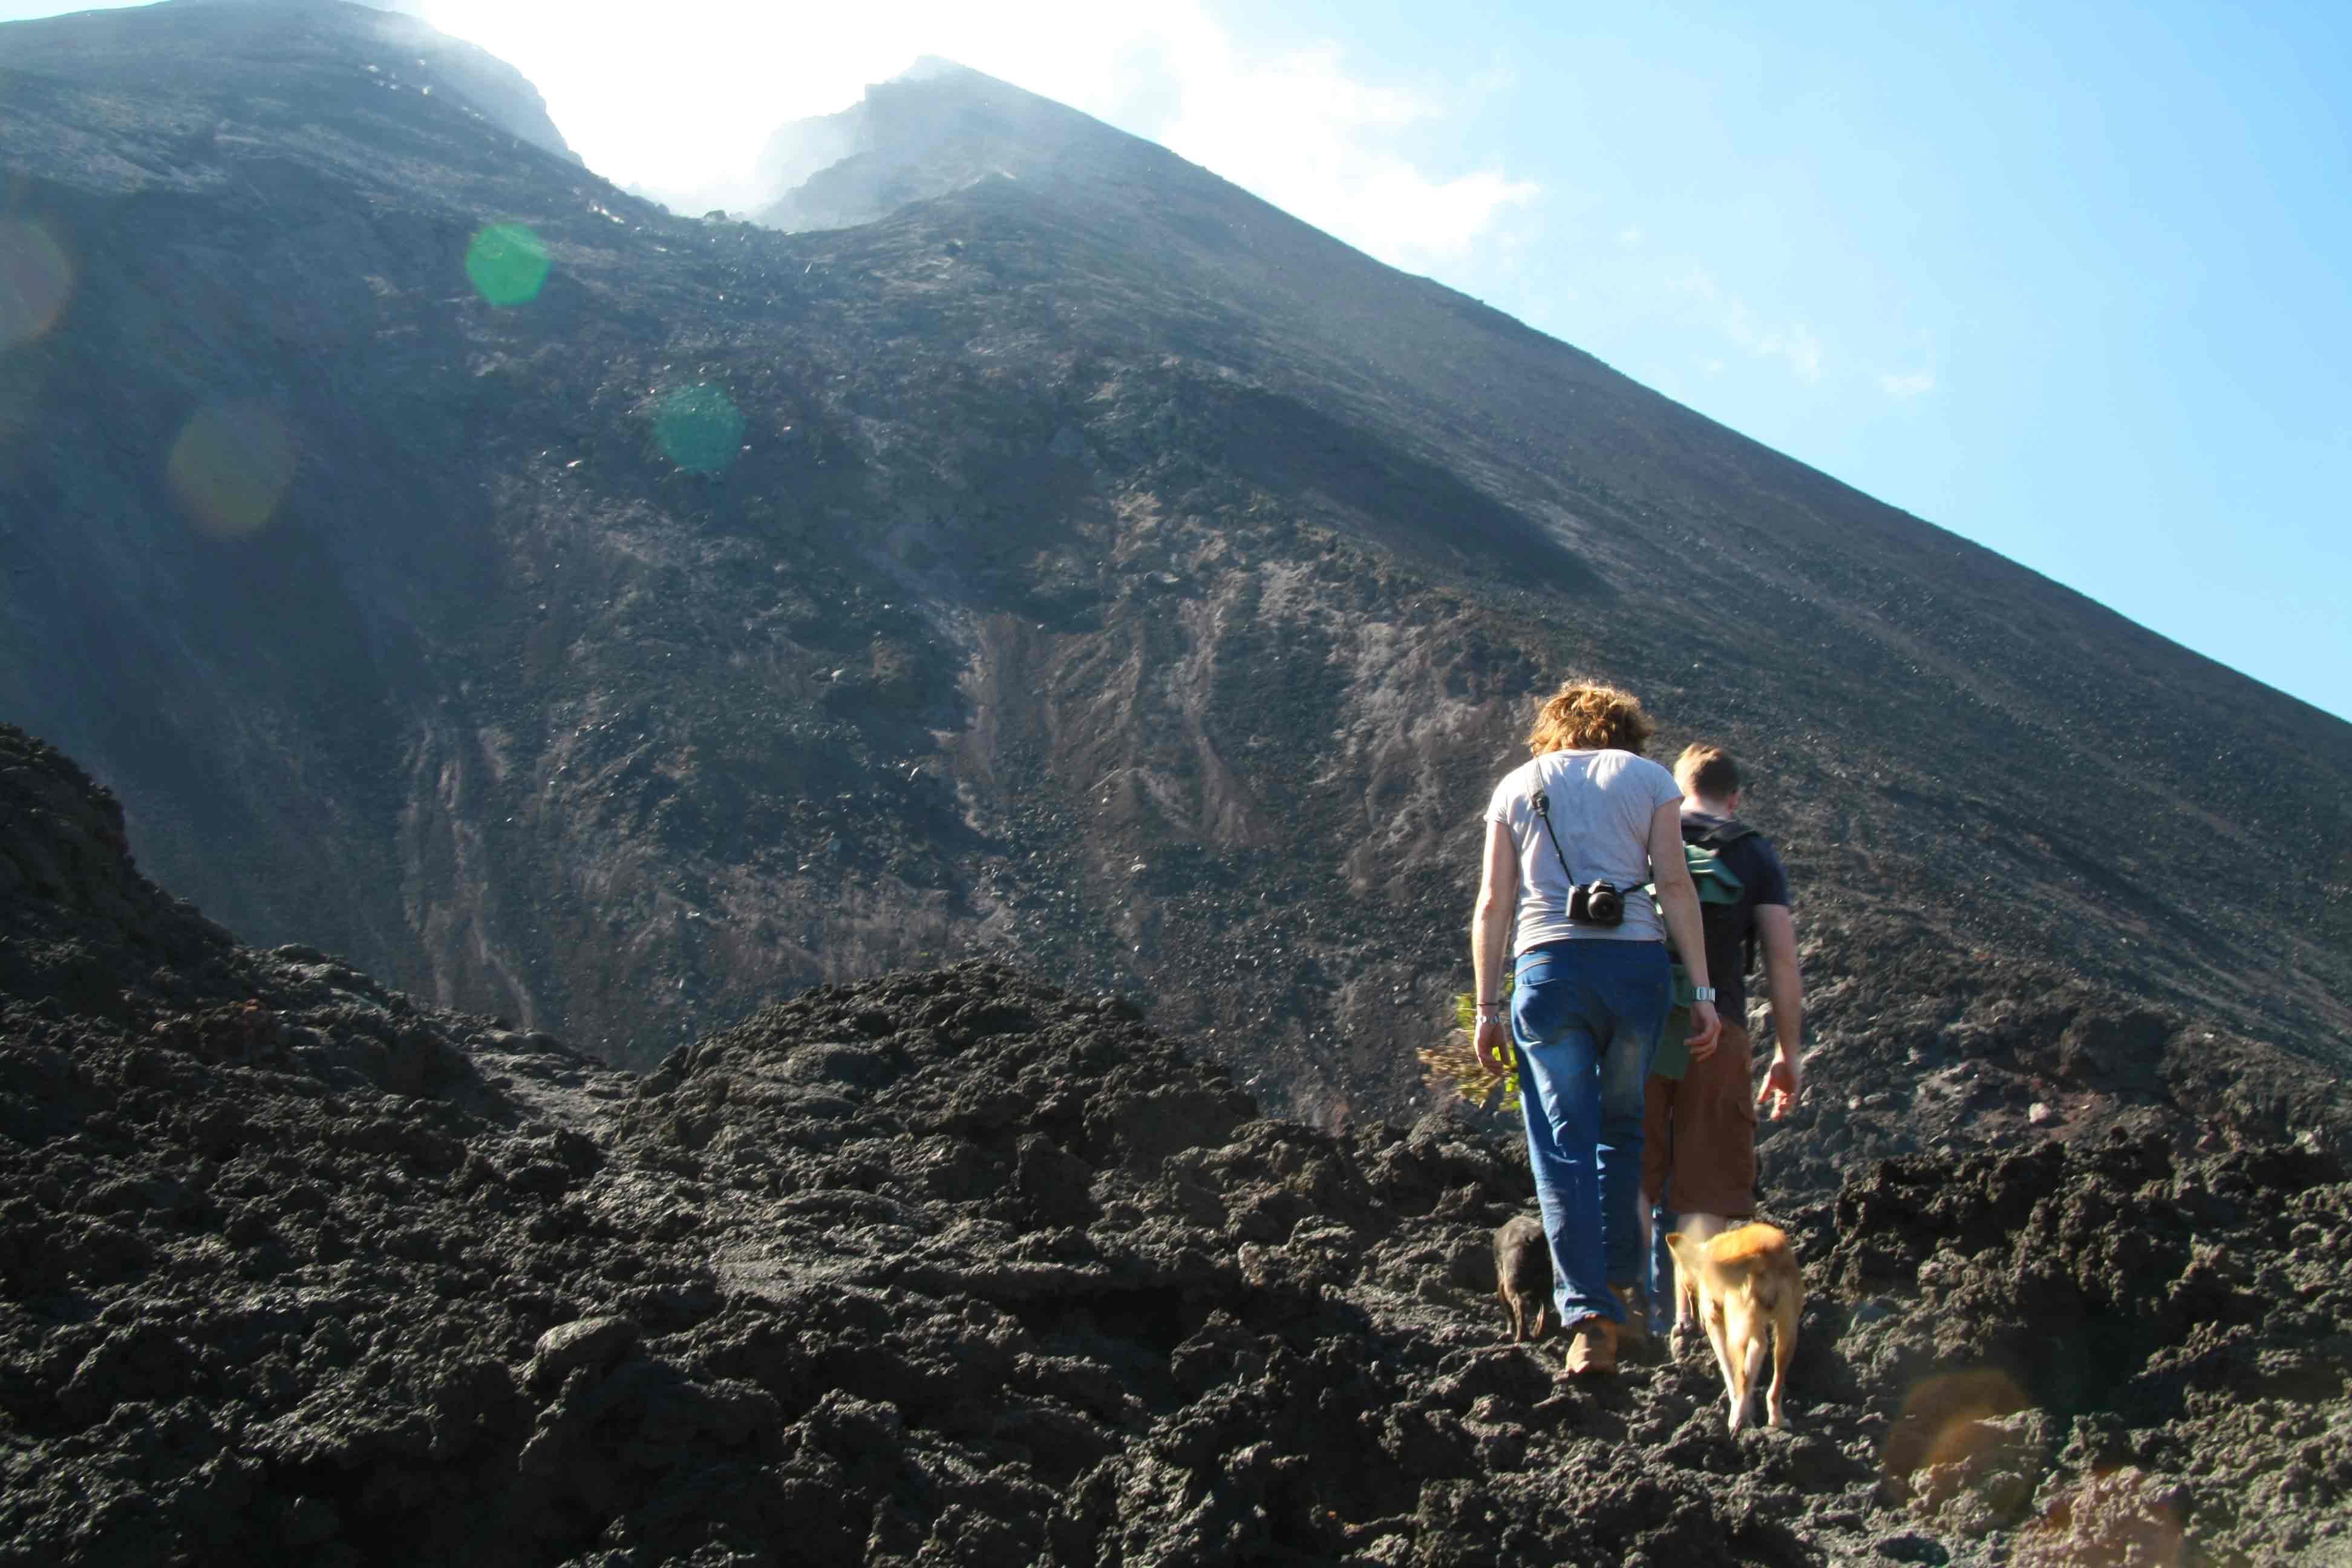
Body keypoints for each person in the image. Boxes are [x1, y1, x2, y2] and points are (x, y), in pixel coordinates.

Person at [1471, 680, 1720, 1376]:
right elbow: (1676, 887)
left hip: (1549, 972)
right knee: (1623, 1135)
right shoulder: (1647, 780)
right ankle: (1623, 1295)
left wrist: (1488, 1008)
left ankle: (1587, 1322)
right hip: (1635, 973)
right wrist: (1701, 991)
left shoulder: (1517, 785)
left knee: (1563, 1147)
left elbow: (1495, 901)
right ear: (1628, 731)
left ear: (1553, 731)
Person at [1641, 743, 1805, 1344]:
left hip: (1641, 1025)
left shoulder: (1648, 835)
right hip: (1720, 1030)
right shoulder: (1754, 851)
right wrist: (1790, 1055)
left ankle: (1627, 1318)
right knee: (1706, 1183)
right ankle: (1694, 1322)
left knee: (1635, 1170)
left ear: (1682, 788)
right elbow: (1782, 964)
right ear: (1735, 796)